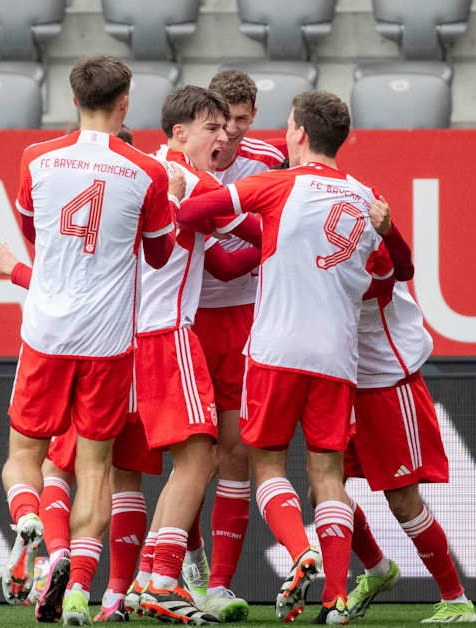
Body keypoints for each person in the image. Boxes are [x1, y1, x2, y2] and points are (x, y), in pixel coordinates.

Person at [177, 90, 394, 625]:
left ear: (297, 133)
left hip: (276, 350)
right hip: (337, 358)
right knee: (328, 476)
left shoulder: (277, 185)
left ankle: (301, 549)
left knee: (267, 464)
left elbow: (196, 211)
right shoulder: (369, 199)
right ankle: (337, 599)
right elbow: (388, 278)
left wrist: (186, 186)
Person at [0, 55, 181, 627]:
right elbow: (160, 254)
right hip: (107, 341)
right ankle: (79, 590)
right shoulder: (146, 172)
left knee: (25, 456)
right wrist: (168, 203)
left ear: (74, 100)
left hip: (46, 333)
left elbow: (34, 232)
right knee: (96, 469)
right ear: (125, 103)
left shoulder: (36, 158)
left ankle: (29, 520)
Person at [179, 71, 287, 623]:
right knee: (190, 454)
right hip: (188, 317)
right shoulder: (178, 167)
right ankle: (186, 552)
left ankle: (219, 583)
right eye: (223, 122)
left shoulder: (269, 161)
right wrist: (270, 245)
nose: (233, 133)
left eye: (243, 120)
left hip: (245, 317)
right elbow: (223, 260)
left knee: (236, 452)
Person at [341, 211, 476, 624]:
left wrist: (388, 230)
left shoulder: (366, 247)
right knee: (324, 493)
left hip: (389, 385)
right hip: (343, 385)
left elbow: (398, 270)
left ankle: (456, 599)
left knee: (402, 503)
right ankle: (378, 568)